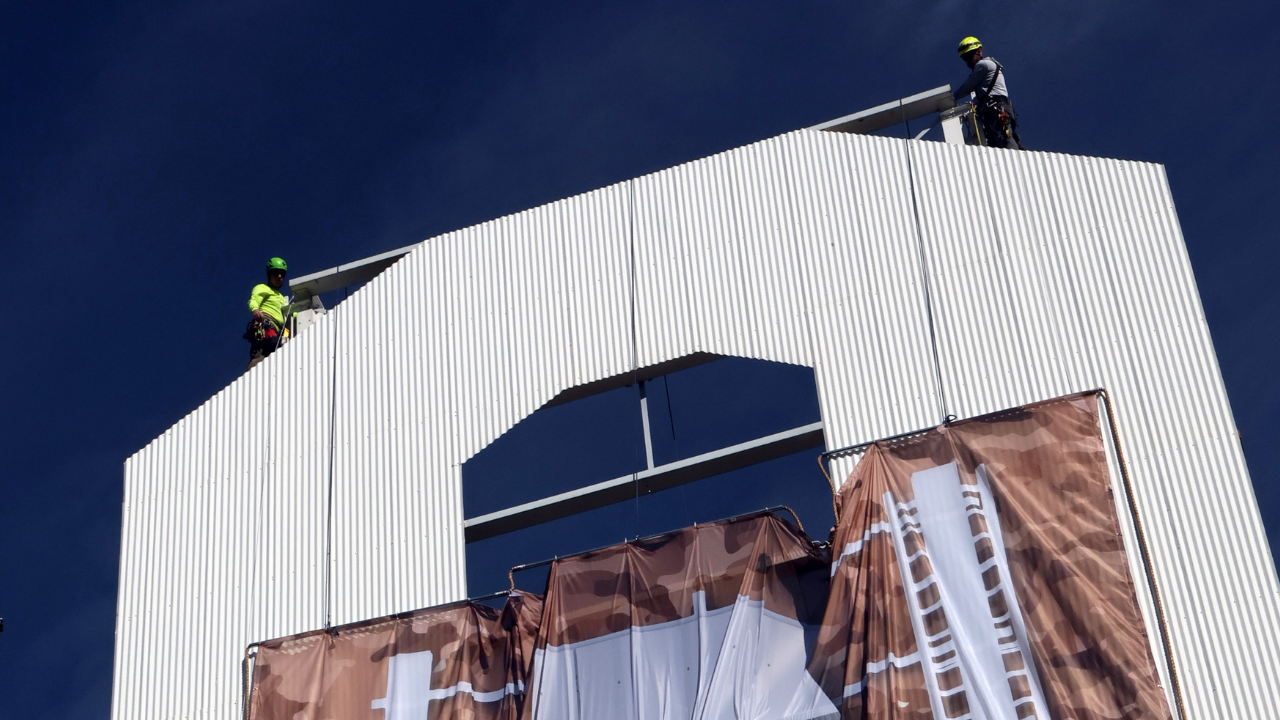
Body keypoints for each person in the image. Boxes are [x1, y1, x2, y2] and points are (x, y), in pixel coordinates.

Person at [953, 36, 1024, 150]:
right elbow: (981, 97)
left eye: (970, 55)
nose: (968, 60)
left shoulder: (983, 65)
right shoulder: (988, 70)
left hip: (995, 109)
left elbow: (967, 87)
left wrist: (951, 99)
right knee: (997, 148)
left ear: (979, 51)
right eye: (965, 58)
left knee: (1006, 145)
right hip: (994, 109)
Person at [245, 257, 291, 370]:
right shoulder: (262, 288)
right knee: (260, 357)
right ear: (268, 274)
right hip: (266, 326)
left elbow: (289, 314)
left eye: (282, 274)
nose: (279, 277)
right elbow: (254, 300)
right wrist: (255, 310)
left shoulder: (281, 298)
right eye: (276, 273)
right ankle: (251, 381)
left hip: (279, 331)